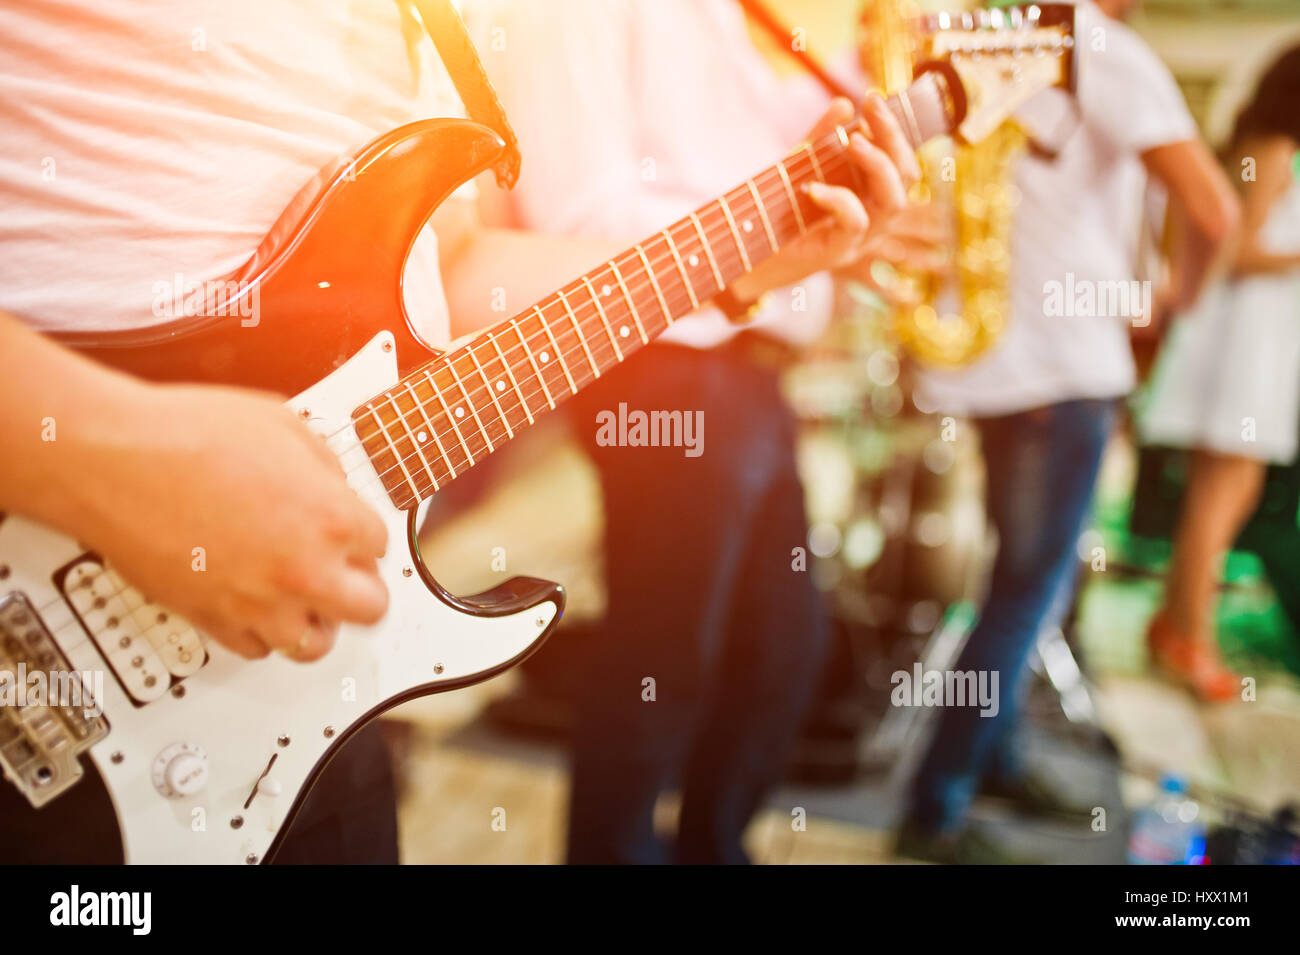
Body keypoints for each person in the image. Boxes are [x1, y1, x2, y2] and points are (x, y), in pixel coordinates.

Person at [0, 0, 914, 862]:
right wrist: (106, 457)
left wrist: (739, 263)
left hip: (297, 704)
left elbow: (451, 275)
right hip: (41, 612)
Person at [471, 0, 922, 863]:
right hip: (658, 358)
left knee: (782, 653)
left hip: (750, 360)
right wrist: (762, 238)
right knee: (664, 651)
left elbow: (752, 184)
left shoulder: (754, 33)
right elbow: (576, 220)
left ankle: (711, 849)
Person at [899, 0, 1240, 862]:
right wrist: (1175, 302)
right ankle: (933, 806)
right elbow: (1213, 210)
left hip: (995, 366)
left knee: (1023, 585)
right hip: (1065, 368)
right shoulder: (1103, 49)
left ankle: (995, 755)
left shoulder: (987, 32)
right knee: (1026, 594)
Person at [1139, 46, 1300, 701]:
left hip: (1261, 338)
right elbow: (1238, 254)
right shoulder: (1273, 149)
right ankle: (1188, 639)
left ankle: (1175, 625)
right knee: (1218, 491)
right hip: (1243, 340)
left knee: (1235, 489)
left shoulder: (1273, 146)